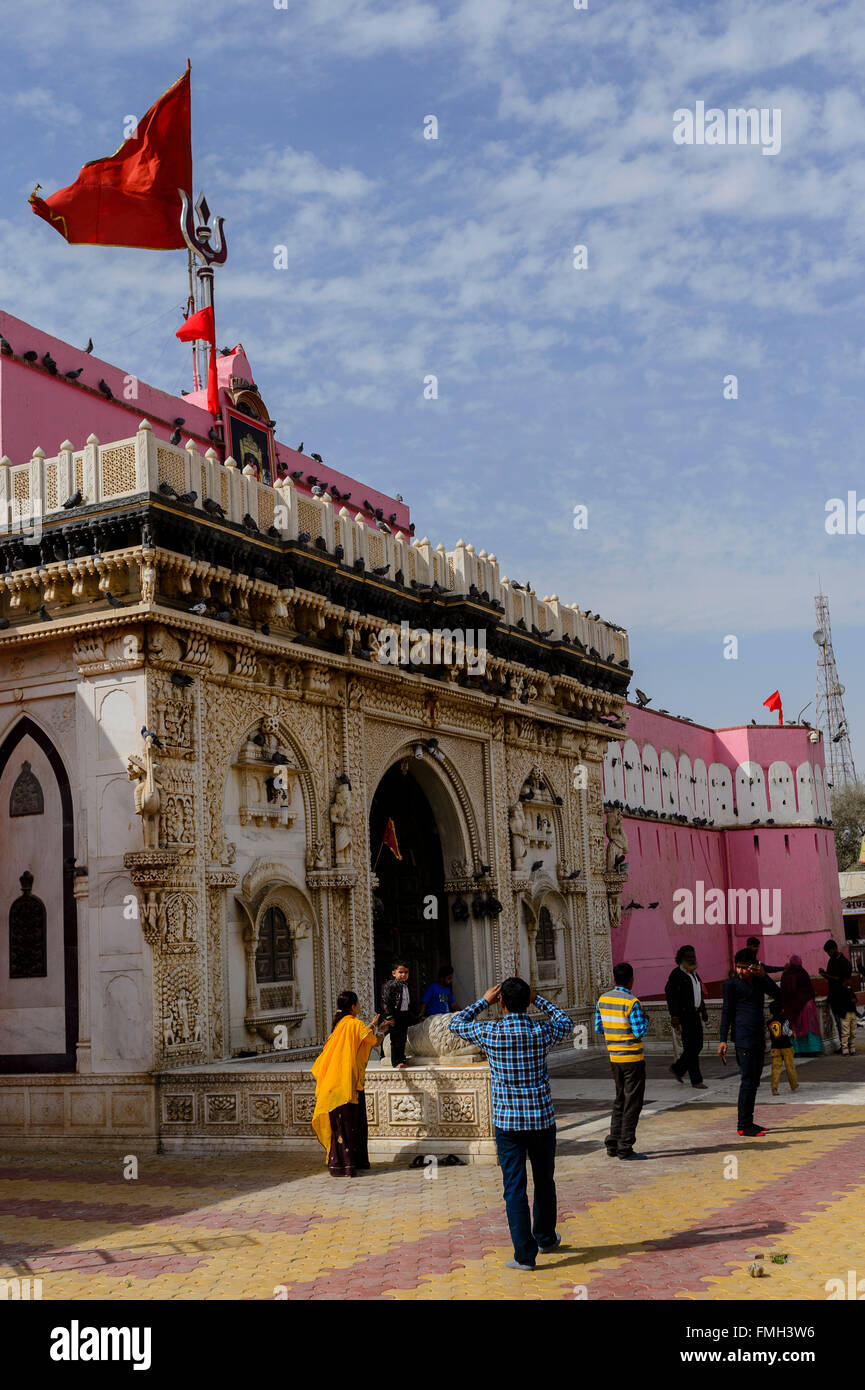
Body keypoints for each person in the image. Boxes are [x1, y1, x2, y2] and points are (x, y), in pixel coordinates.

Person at [449, 977, 573, 1272]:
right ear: (526, 1000)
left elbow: (455, 1024)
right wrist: (538, 999)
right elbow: (566, 1022)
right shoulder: (540, 1030)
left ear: (501, 1002)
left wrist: (483, 1001)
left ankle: (524, 1255)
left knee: (514, 1188)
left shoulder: (490, 1031)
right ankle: (544, 1236)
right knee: (544, 1181)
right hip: (541, 1118)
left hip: (508, 1121)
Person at [311, 990, 389, 1177]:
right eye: (358, 1004)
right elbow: (373, 1041)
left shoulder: (340, 1025)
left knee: (340, 1127)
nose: (359, 1007)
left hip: (333, 1085)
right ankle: (350, 1165)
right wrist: (381, 1030)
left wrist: (371, 1025)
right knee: (351, 1126)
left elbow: (358, 1039)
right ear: (353, 1006)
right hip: (348, 1086)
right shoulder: (354, 1024)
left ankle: (339, 1165)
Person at [718, 948, 781, 1136]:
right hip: (743, 1039)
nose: (740, 971)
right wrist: (722, 1040)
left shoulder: (760, 982)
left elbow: (778, 995)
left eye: (744, 968)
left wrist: (764, 977)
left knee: (754, 1081)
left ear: (754, 967)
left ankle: (749, 1121)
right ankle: (743, 1125)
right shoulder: (731, 985)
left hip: (758, 1038)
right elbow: (726, 1012)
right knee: (747, 1081)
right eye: (738, 967)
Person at [595, 962, 650, 1159]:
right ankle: (625, 1146)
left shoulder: (603, 999)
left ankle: (613, 1142)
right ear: (631, 980)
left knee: (619, 1100)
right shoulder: (632, 1002)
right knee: (632, 1102)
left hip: (614, 1057)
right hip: (632, 1058)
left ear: (614, 978)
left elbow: (599, 1028)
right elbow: (639, 1031)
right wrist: (645, 1020)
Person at [665, 944, 709, 1089]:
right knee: (691, 1047)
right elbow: (671, 997)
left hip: (695, 1014)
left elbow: (698, 993)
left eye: (692, 956)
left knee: (698, 1046)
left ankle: (678, 1068)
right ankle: (696, 1080)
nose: (691, 959)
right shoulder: (676, 975)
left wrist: (703, 1010)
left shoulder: (694, 973)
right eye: (688, 957)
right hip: (685, 1016)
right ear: (681, 958)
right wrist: (674, 1016)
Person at [780, 954, 823, 1056]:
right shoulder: (803, 973)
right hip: (806, 1005)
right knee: (808, 1027)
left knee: (794, 1027)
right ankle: (811, 1049)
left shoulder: (786, 975)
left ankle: (796, 1050)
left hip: (792, 1007)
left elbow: (784, 991)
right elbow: (810, 991)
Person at [819, 939, 854, 1054]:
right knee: (838, 1022)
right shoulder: (831, 961)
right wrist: (825, 974)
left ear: (834, 949)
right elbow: (831, 977)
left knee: (843, 1022)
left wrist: (827, 975)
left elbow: (843, 979)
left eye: (829, 951)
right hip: (834, 996)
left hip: (842, 997)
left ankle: (847, 1045)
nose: (828, 954)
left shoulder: (844, 962)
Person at [381, 960, 414, 1069]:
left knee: (403, 1037)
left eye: (406, 972)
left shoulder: (407, 986)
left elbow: (408, 1001)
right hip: (395, 1015)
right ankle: (396, 1061)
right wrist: (389, 1016)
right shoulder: (391, 985)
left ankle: (402, 1058)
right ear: (394, 973)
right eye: (400, 972)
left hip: (404, 1014)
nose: (403, 975)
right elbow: (386, 1001)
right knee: (395, 1039)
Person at [768, 1000, 798, 1095]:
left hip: (775, 1047)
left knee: (776, 1068)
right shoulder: (785, 1020)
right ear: (782, 1011)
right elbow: (785, 1031)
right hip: (786, 1047)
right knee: (790, 1067)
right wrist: (792, 1033)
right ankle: (793, 1085)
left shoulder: (769, 1022)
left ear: (770, 1012)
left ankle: (774, 1087)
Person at [835, 981, 858, 1056]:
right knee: (845, 1033)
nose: (849, 981)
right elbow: (840, 1002)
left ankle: (852, 1049)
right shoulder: (839, 990)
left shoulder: (849, 988)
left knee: (853, 1032)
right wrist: (850, 1000)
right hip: (845, 1013)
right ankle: (845, 1050)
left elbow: (855, 999)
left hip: (853, 1012)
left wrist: (854, 1000)